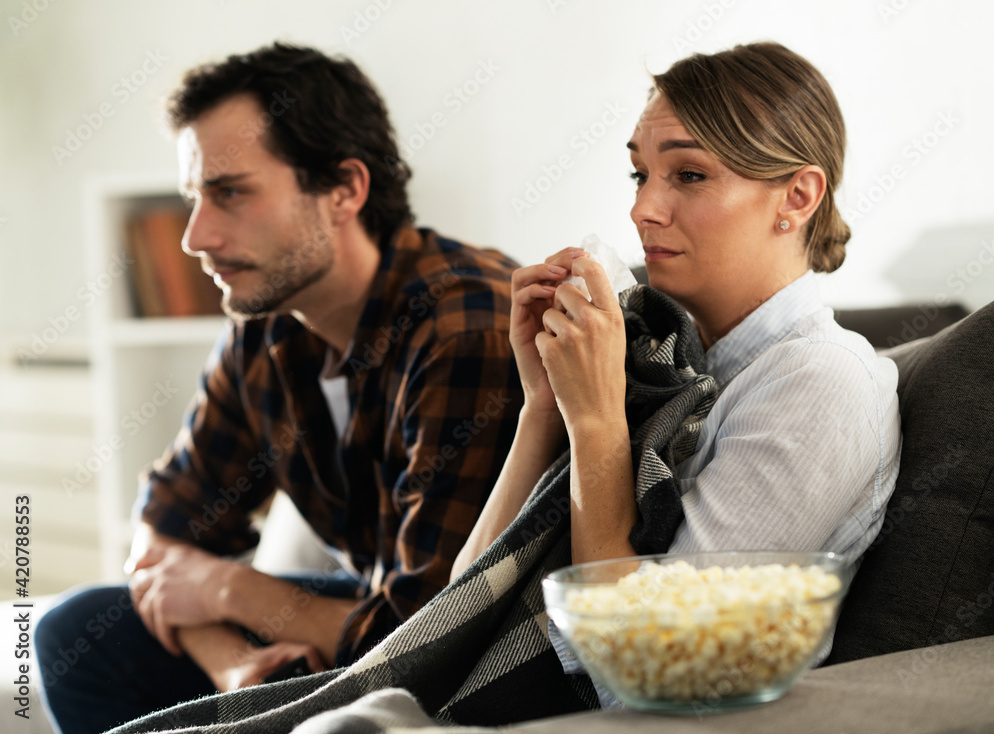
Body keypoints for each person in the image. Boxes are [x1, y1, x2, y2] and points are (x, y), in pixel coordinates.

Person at [35, 42, 523, 734]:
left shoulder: (461, 327)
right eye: (193, 198)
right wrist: (228, 660)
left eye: (230, 192)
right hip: (366, 623)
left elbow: (430, 631)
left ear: (345, 190)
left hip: (472, 649)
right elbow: (164, 529)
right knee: (75, 633)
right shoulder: (267, 328)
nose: (195, 237)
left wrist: (230, 587)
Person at [453, 40, 901, 611]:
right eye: (640, 174)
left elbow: (646, 658)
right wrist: (543, 405)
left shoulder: (819, 382)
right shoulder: (668, 373)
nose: (643, 209)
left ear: (797, 195)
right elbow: (452, 620)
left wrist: (597, 422)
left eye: (688, 174)